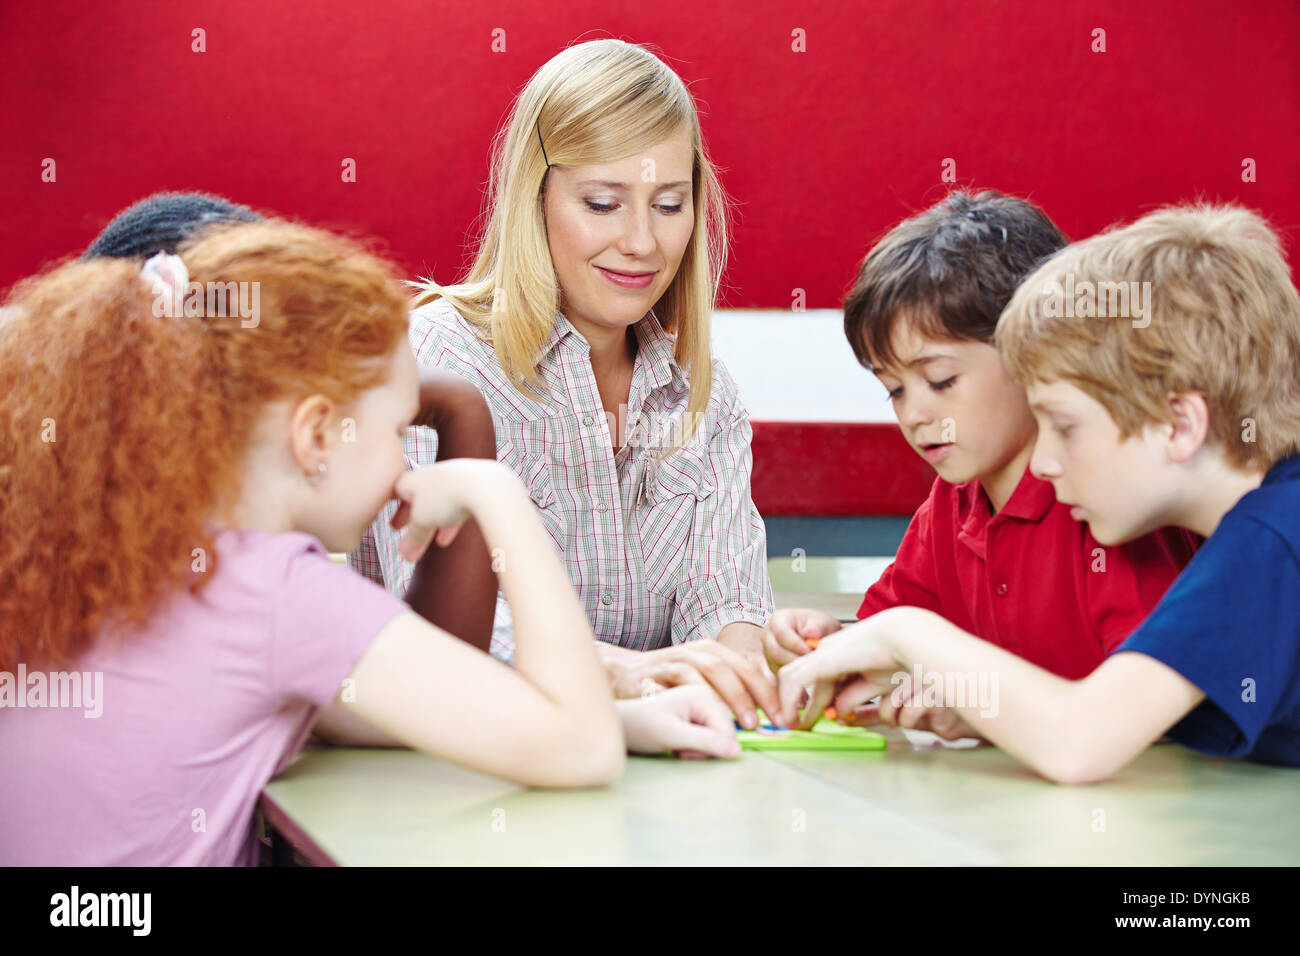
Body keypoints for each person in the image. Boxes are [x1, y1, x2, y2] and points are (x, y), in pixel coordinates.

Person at [776, 204, 1300, 780]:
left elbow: (1084, 743)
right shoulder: (1261, 530)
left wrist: (908, 634)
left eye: (1066, 427)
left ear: (1180, 425)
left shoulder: (1272, 537)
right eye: (893, 390)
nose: (1044, 463)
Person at [358, 39, 780, 729]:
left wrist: (740, 683)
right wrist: (632, 677)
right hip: (454, 782)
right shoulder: (436, 363)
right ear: (536, 196)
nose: (642, 241)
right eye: (603, 203)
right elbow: (440, 638)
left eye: (669, 205)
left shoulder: (705, 397)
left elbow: (730, 609)